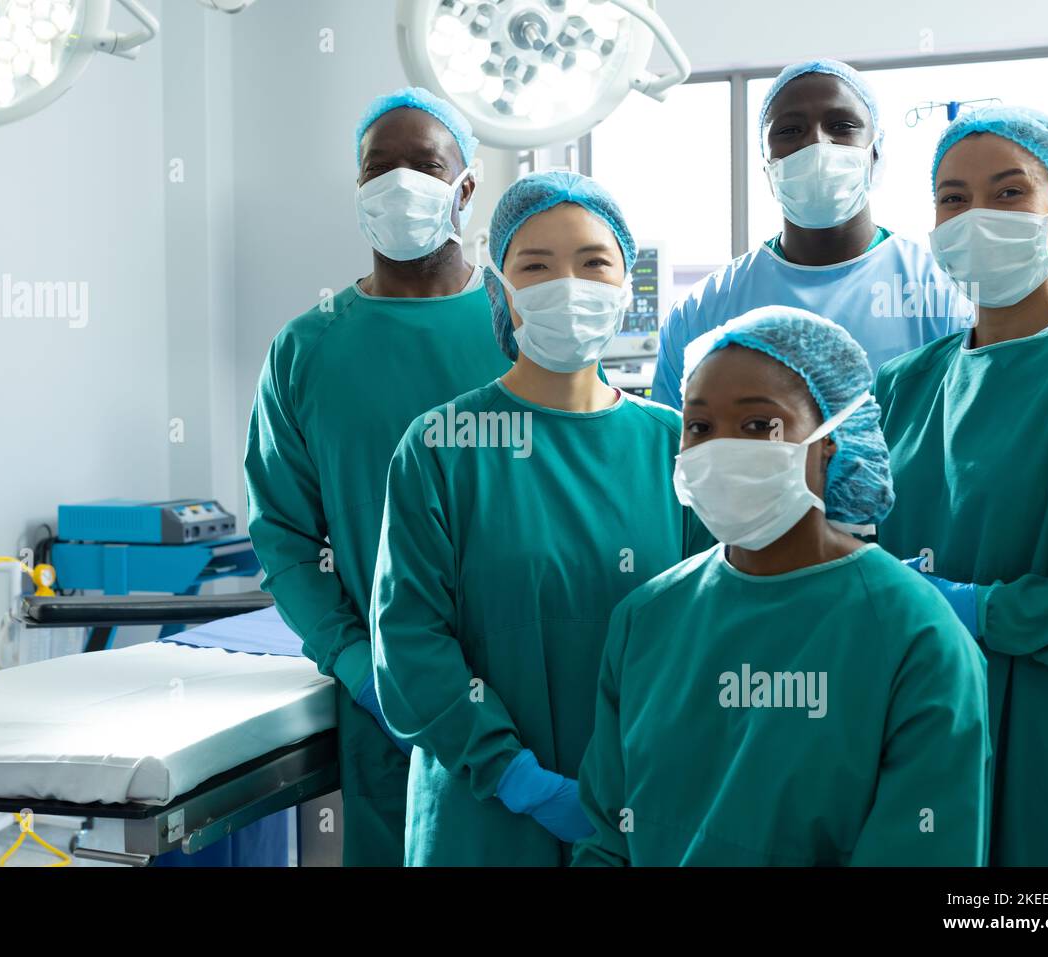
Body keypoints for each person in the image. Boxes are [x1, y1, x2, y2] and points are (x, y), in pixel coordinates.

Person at [370, 171, 712, 866]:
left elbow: (715, 632)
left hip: (641, 807)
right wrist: (513, 774)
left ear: (625, 283)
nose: (569, 284)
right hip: (481, 816)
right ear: (501, 289)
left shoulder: (675, 448)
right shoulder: (441, 448)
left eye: (593, 263)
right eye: (536, 265)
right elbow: (409, 641)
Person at [573, 306, 990, 866]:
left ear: (830, 442)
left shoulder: (914, 637)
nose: (720, 448)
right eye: (698, 426)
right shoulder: (646, 618)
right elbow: (608, 841)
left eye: (757, 426)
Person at [243, 87, 510, 866]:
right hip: (387, 698)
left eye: (425, 165)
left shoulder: (523, 324)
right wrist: (356, 663)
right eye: (377, 168)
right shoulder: (308, 350)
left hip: (535, 680)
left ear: (466, 186)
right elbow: (285, 538)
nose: (399, 184)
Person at [877, 105, 1048, 866]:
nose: (976, 215)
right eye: (953, 198)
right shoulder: (904, 388)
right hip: (924, 742)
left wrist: (985, 609)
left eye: (1010, 192)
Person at [650, 59, 972, 408]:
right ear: (768, 165)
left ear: (875, 155)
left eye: (842, 125)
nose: (817, 144)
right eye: (790, 130)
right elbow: (674, 449)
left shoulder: (946, 293)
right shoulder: (703, 311)